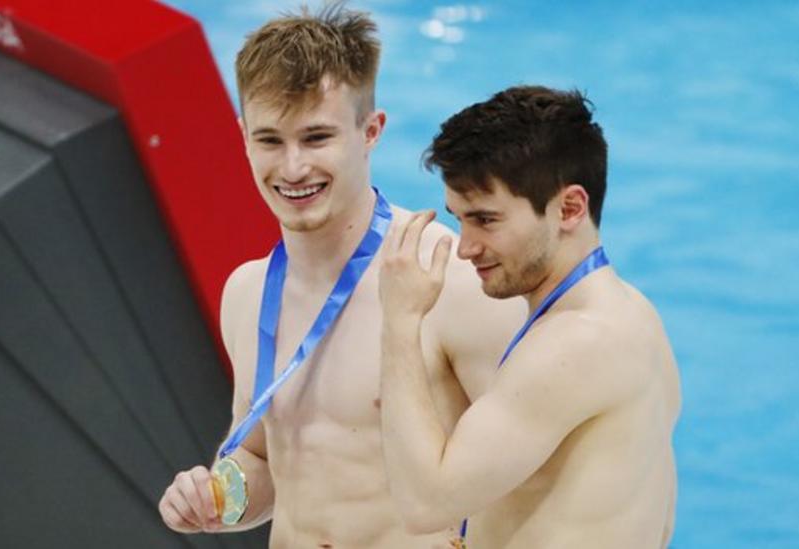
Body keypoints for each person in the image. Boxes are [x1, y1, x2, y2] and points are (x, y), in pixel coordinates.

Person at [157, 4, 524, 548]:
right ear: (242, 136)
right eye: (270, 141)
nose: (293, 168)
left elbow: (534, 479)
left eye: (316, 137)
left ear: (370, 130)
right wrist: (216, 498)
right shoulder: (248, 292)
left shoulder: (449, 280)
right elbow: (261, 459)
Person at [378, 85, 682, 548]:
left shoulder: (576, 344)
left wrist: (400, 320)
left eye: (486, 220)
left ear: (570, 208)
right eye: (459, 220)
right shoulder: (635, 314)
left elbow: (425, 504)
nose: (465, 247)